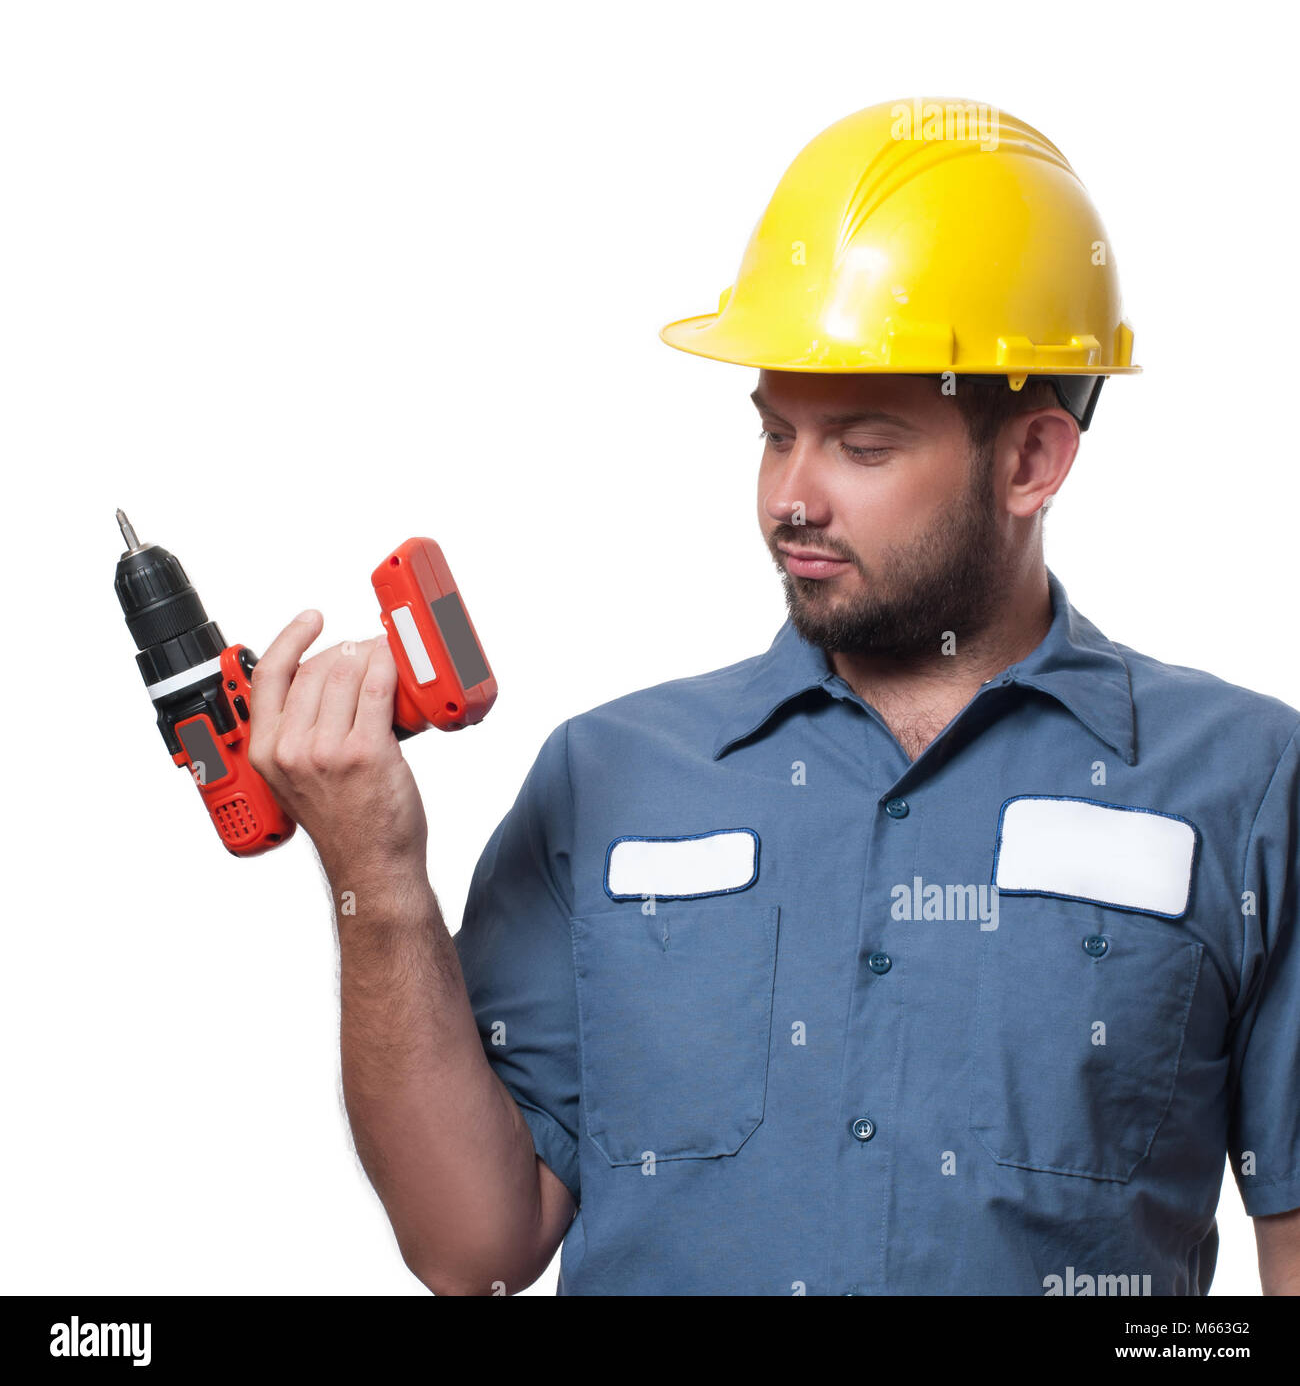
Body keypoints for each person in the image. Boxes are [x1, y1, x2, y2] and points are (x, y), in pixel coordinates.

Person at [247, 99, 1300, 1296]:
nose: (790, 498)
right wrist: (375, 877)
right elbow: (472, 1247)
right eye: (774, 434)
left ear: (1030, 461)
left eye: (860, 445)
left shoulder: (1246, 785)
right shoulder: (608, 778)